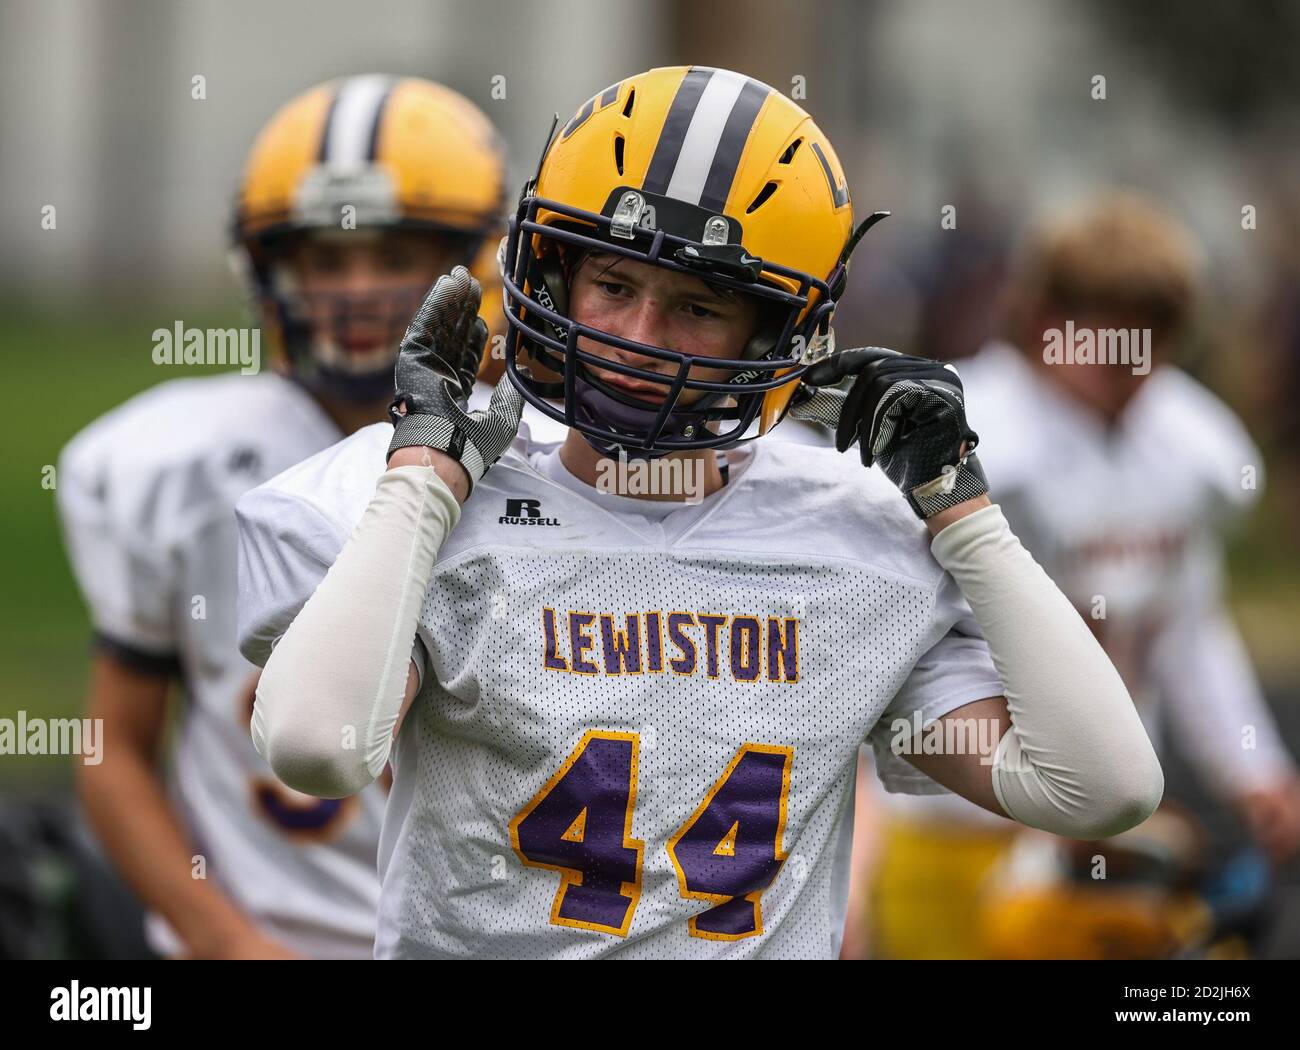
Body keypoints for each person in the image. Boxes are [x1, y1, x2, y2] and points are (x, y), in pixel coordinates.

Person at [236, 66, 1162, 959]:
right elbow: (320, 749)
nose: (639, 339)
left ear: (774, 332)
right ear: (552, 277)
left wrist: (963, 511)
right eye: (613, 287)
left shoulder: (857, 540)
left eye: (698, 307)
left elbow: (1102, 786)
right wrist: (423, 480)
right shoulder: (420, 501)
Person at [57, 74, 513, 958]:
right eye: (325, 261)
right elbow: (113, 752)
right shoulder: (175, 465)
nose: (357, 292)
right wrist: (228, 945)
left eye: (395, 259)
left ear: (483, 261)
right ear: (267, 272)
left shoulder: (533, 457)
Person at [864, 191, 1300, 959]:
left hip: (1109, 831)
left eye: (1150, 336)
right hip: (958, 823)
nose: (1128, 364)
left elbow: (1188, 627)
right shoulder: (961, 428)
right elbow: (873, 641)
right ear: (1042, 321)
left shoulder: (1190, 450)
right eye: (1107, 333)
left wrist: (1254, 768)